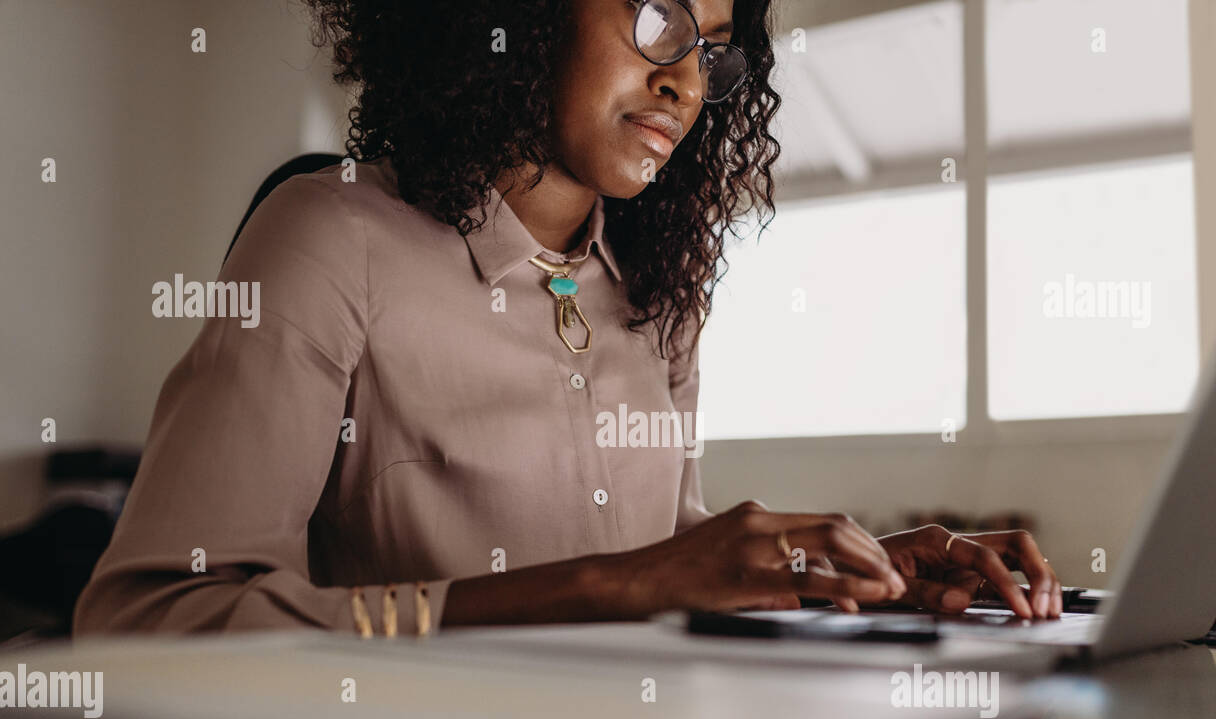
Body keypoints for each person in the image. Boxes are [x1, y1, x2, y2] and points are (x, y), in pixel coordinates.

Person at [73, 0, 1061, 640]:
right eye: (657, 17)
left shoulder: (657, 293)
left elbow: (660, 547)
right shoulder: (328, 241)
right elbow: (151, 620)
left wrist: (850, 572)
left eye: (712, 53)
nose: (684, 81)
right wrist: (604, 587)